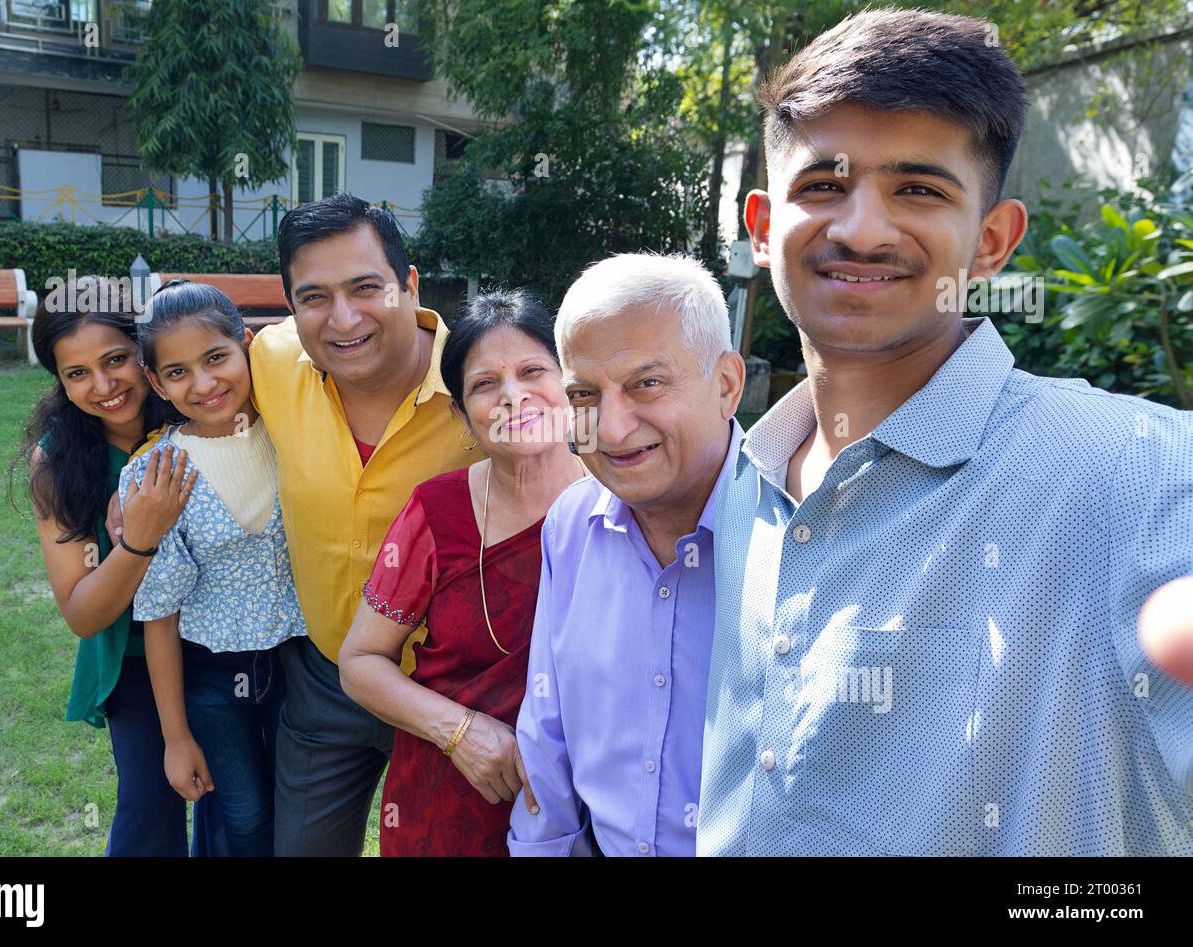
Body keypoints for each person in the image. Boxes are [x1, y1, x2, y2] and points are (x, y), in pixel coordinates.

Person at [698, 8, 1193, 856]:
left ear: (992, 241)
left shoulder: (1134, 470)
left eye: (918, 189)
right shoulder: (749, 477)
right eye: (823, 185)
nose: (860, 228)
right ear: (762, 225)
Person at [250, 194, 486, 856]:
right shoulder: (271, 361)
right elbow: (183, 388)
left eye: (365, 287)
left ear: (409, 285)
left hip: (458, 691)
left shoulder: (484, 382)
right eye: (314, 297)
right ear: (291, 307)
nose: (343, 318)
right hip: (325, 682)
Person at [508, 253, 746, 856]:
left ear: (726, 385)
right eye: (584, 394)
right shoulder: (570, 526)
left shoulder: (799, 532)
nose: (611, 429)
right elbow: (547, 729)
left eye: (646, 383)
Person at [338, 290, 586, 856]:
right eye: (484, 384)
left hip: (585, 798)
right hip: (448, 796)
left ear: (569, 385)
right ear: (461, 414)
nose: (513, 396)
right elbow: (360, 662)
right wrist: (461, 733)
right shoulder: (436, 510)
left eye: (532, 371)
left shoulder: (621, 505)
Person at [13, 276, 228, 856]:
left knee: (235, 802)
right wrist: (139, 540)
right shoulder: (58, 462)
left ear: (147, 353)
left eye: (117, 360)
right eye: (76, 374)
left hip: (235, 638)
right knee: (150, 805)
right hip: (134, 655)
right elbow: (83, 613)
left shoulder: (201, 405)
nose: (103, 386)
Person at [117, 280, 307, 857]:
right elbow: (158, 616)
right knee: (244, 817)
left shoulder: (295, 433)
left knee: (301, 812)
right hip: (215, 681)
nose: (203, 384)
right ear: (155, 382)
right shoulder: (156, 474)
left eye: (217, 358)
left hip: (303, 664)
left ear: (247, 346)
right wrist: (176, 739)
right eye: (176, 372)